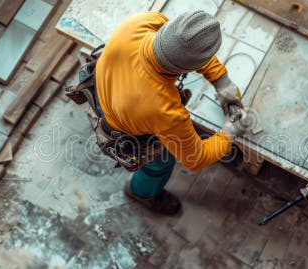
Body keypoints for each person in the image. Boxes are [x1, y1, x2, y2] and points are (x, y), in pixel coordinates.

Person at [94, 11, 248, 215]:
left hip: (103, 90)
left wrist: (221, 79)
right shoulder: (165, 109)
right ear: (188, 69)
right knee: (158, 164)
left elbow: (180, 46)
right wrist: (230, 131)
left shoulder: (140, 23)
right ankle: (140, 192)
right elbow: (196, 159)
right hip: (124, 130)